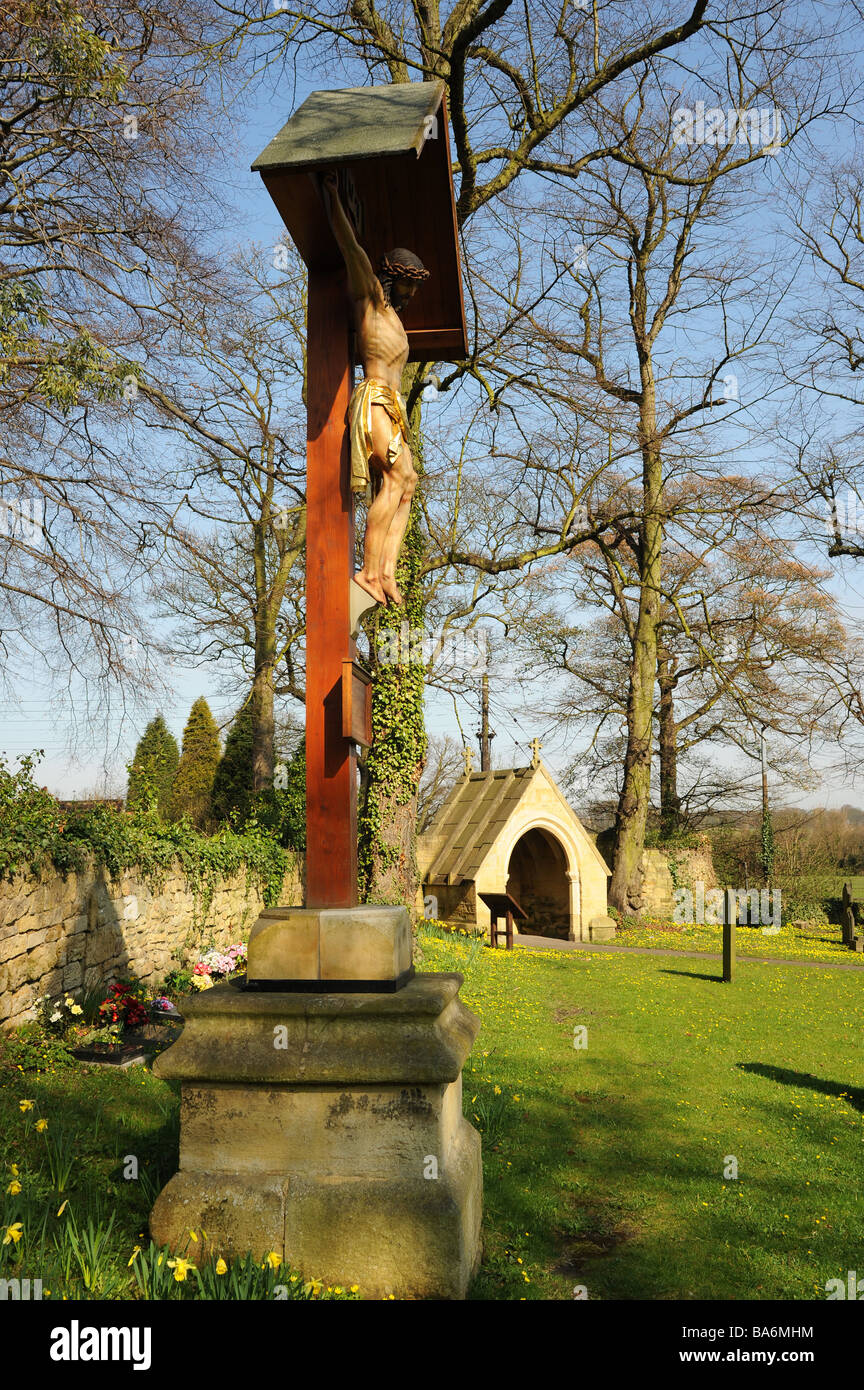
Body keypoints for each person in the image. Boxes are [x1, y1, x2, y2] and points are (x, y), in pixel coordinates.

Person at [321, 169, 429, 607]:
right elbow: (351, 248)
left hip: (394, 408)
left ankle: (384, 571)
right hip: (374, 399)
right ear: (394, 275)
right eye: (410, 283)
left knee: (410, 480)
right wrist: (332, 195)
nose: (413, 294)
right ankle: (368, 571)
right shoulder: (371, 301)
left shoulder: (397, 320)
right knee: (398, 476)